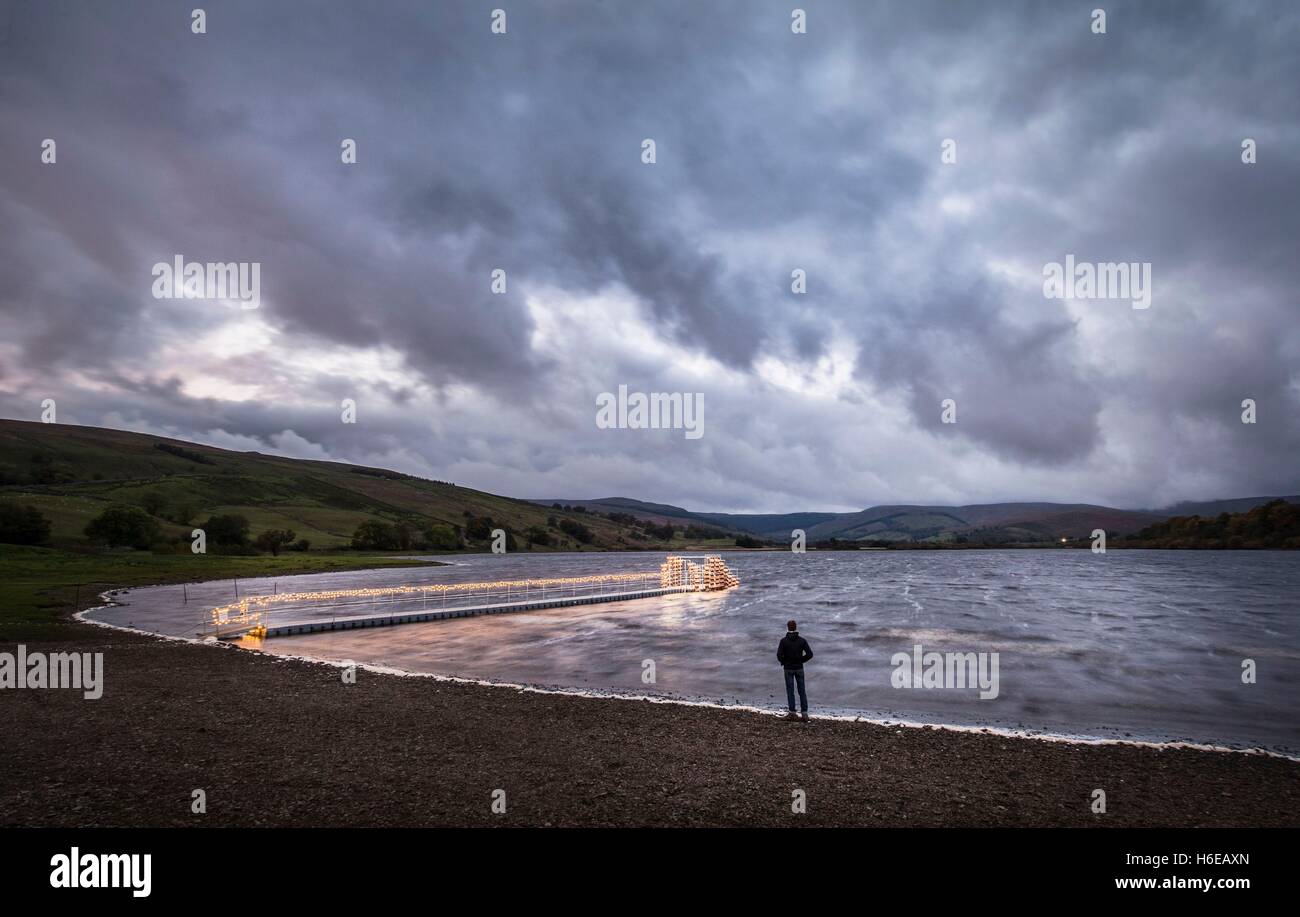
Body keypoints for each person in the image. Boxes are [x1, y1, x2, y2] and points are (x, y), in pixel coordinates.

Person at [777, 619, 813, 721]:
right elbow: (810, 654)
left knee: (790, 691)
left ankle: (792, 712)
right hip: (799, 667)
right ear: (796, 627)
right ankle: (804, 713)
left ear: (788, 627)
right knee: (802, 690)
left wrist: (783, 662)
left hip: (788, 668)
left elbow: (779, 655)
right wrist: (801, 660)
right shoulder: (802, 640)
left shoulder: (783, 641)